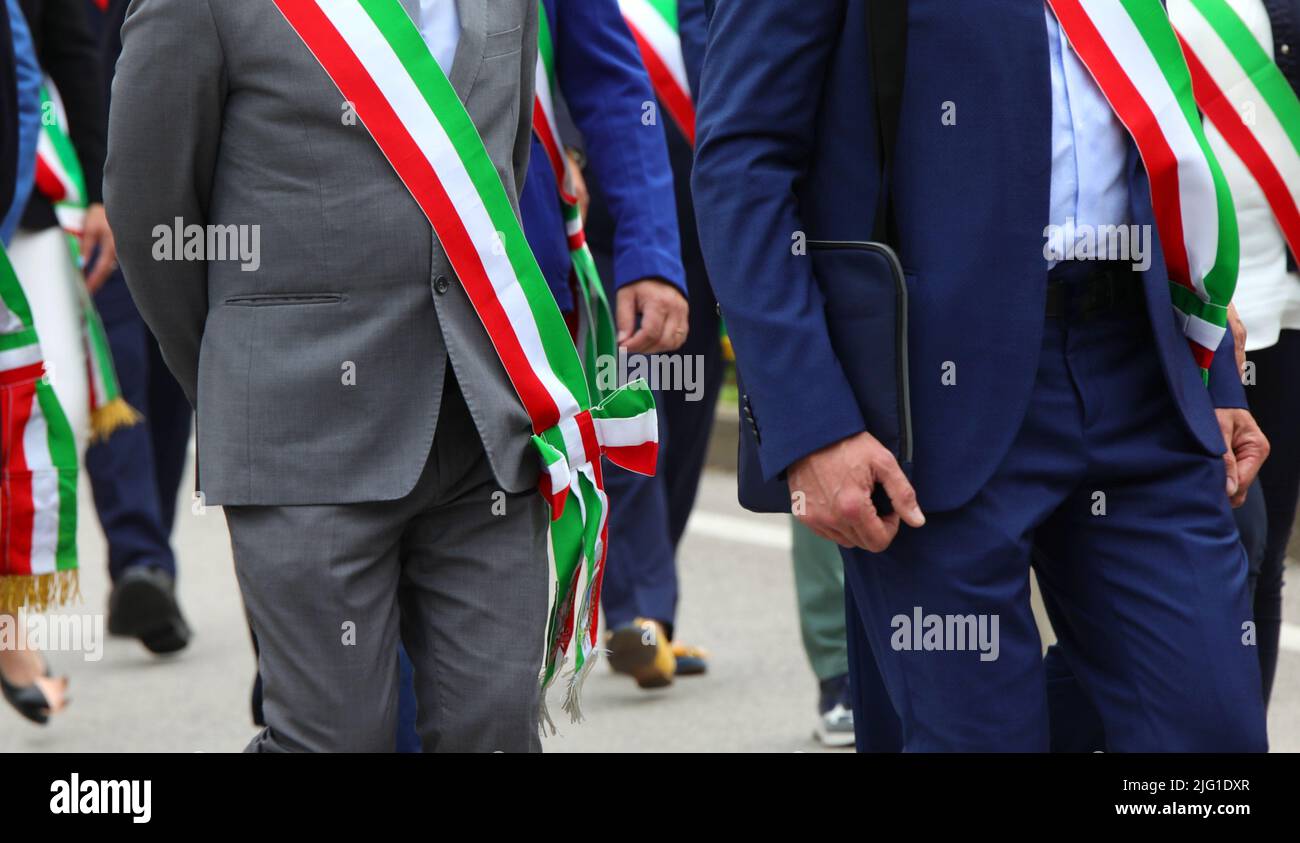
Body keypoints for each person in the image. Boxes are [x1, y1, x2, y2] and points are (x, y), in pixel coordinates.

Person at [694, 0, 1270, 751]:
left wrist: (1212, 371)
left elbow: (1158, 121)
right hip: (930, 407)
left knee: (1210, 741)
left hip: (1141, 378)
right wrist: (813, 426)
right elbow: (742, 163)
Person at [108, 0, 554, 752]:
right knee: (336, 739)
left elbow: (499, 173)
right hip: (301, 426)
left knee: (499, 729)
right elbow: (154, 217)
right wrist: (242, 370)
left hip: (481, 422)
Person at [581, 0, 717, 689]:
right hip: (607, 232)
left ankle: (648, 601)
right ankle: (640, 615)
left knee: (688, 423)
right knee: (631, 411)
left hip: (706, 226)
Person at [82, 0, 192, 656]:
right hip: (95, 217)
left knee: (173, 388)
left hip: (183, 215)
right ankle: (141, 562)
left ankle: (150, 560)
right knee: (117, 385)